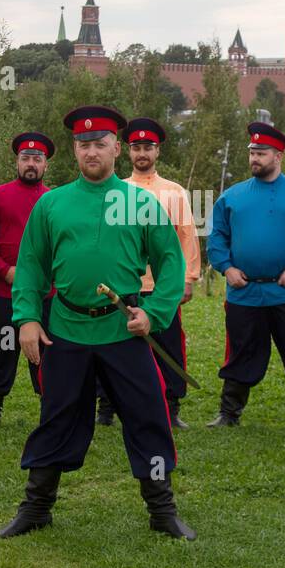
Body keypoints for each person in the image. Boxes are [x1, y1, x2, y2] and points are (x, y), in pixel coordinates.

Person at [0, 105, 194, 540]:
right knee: (57, 416)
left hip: (122, 330)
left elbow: (170, 263)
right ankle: (36, 507)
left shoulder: (139, 203)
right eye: (84, 145)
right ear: (74, 149)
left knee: (147, 416)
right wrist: (27, 319)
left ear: (116, 149)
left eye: (100, 144)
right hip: (65, 330)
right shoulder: (52, 204)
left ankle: (162, 510)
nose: (92, 152)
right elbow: (30, 266)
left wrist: (155, 312)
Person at [206, 122, 285, 427]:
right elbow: (217, 237)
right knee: (240, 352)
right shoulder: (231, 197)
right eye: (252, 153)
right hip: (244, 294)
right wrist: (227, 268)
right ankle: (228, 414)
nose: (255, 159)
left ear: (278, 156)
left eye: (261, 153)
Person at [95, 118, 200, 429]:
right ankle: (106, 408)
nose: (142, 153)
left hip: (163, 286)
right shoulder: (115, 191)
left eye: (148, 147)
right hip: (123, 285)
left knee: (168, 346)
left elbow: (187, 236)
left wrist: (188, 278)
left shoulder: (174, 192)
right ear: (128, 152)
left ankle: (171, 407)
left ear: (157, 151)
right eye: (136, 147)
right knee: (113, 346)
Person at [0, 132, 55, 424]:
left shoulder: (54, 200)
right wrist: (4, 270)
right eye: (25, 158)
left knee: (46, 350)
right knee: (1, 348)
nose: (31, 163)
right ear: (17, 162)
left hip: (45, 295)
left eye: (37, 159)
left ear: (45, 165)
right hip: (6, 293)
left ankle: (50, 409)